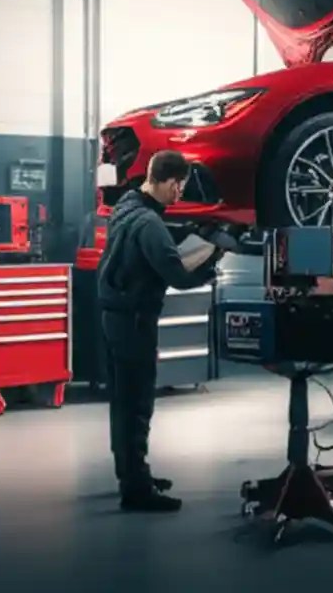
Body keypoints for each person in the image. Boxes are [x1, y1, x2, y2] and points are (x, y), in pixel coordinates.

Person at [97, 150, 223, 512]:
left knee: (123, 401)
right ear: (171, 181)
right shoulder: (149, 224)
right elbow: (179, 276)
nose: (179, 194)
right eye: (179, 187)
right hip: (135, 320)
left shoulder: (127, 208)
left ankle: (132, 473)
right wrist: (213, 258)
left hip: (115, 317)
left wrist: (190, 232)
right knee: (137, 404)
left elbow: (158, 239)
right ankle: (136, 491)